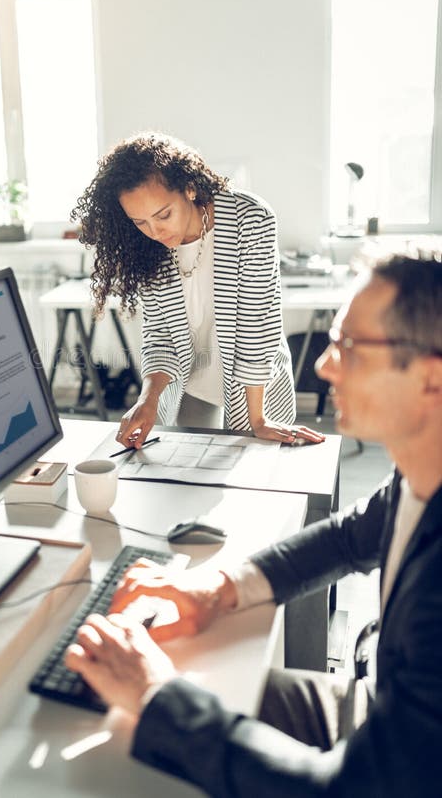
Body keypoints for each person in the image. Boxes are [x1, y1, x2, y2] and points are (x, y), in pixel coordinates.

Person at [65, 250, 442, 796]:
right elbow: (350, 537)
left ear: (430, 377)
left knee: (143, 738)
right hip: (380, 714)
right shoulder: (421, 473)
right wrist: (220, 589)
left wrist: (155, 695)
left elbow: (352, 790)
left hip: (388, 766)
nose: (323, 366)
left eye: (350, 348)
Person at [71, 132, 323, 447]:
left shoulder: (251, 219)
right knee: (187, 466)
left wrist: (258, 419)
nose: (155, 231)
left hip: (254, 387)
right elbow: (161, 336)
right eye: (140, 222)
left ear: (189, 188)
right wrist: (148, 399)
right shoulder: (145, 248)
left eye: (164, 215)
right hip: (190, 383)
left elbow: (256, 327)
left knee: (254, 467)